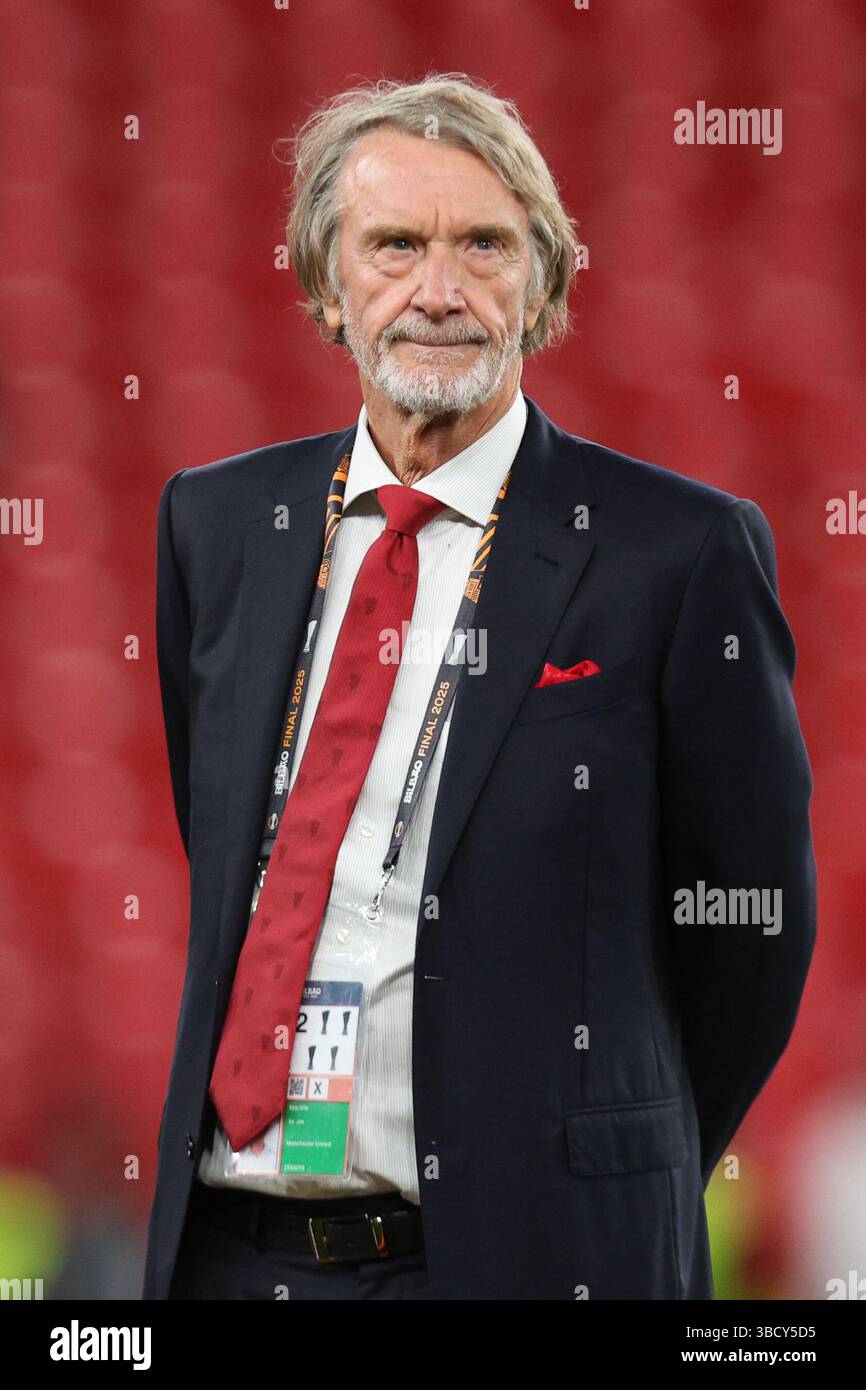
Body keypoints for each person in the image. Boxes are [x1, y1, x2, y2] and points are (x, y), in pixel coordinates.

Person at [143, 72, 817, 1301]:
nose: (438, 291)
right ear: (324, 288)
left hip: (529, 1262)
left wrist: (606, 1159)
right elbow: (225, 851)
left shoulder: (678, 552)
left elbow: (750, 925)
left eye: (485, 246)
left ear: (543, 285)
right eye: (393, 244)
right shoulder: (216, 523)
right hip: (236, 1258)